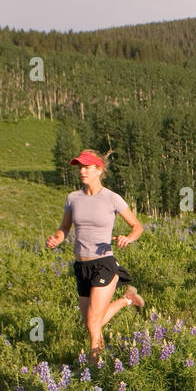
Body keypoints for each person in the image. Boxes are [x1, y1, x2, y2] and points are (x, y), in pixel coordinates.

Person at [46, 149, 144, 365]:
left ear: (99, 170)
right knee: (89, 322)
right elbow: (64, 228)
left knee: (93, 323)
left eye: (87, 167)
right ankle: (127, 300)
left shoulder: (112, 198)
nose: (82, 170)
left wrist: (128, 238)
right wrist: (57, 238)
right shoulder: (72, 198)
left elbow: (137, 226)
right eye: (80, 166)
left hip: (104, 264)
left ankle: (94, 369)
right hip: (81, 267)